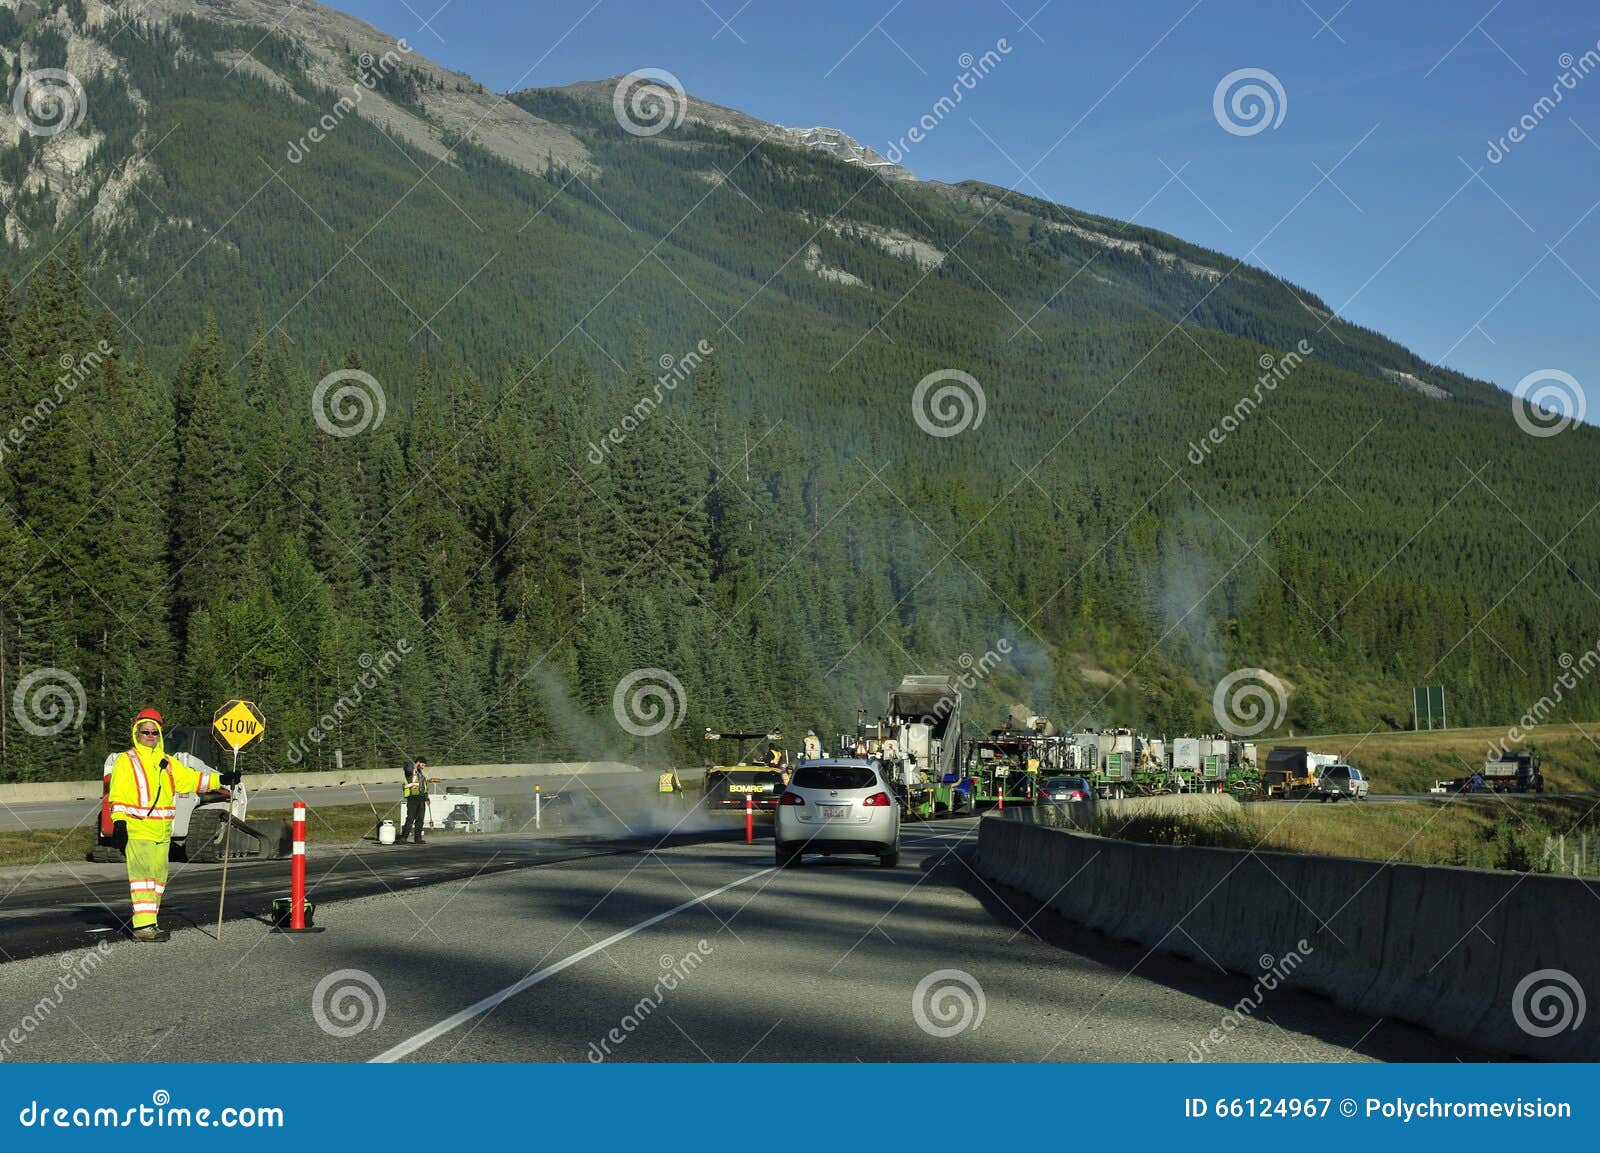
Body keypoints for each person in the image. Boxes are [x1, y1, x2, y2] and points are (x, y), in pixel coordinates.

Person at [107, 708, 237, 943]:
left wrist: (221, 779)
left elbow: (190, 779)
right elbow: (117, 795)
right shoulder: (127, 761)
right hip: (139, 830)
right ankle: (143, 927)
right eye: (145, 731)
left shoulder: (166, 762)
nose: (150, 735)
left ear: (159, 734)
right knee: (143, 879)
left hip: (162, 832)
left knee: (157, 879)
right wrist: (119, 824)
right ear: (137, 732)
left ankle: (150, 921)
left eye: (154, 732)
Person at [399, 757, 428, 845]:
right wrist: (414, 766)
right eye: (422, 765)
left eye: (424, 766)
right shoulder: (410, 771)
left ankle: (418, 838)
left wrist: (426, 797)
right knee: (410, 818)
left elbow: (423, 787)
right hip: (412, 798)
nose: (423, 767)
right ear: (418, 763)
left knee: (420, 819)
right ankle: (403, 838)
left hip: (421, 798)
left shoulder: (420, 773)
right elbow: (407, 768)